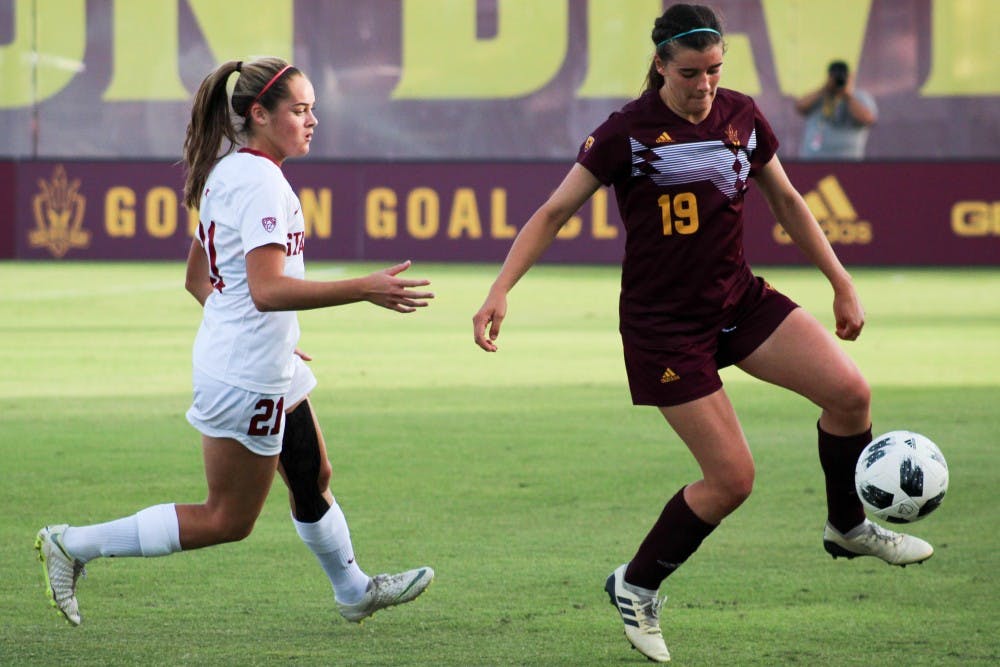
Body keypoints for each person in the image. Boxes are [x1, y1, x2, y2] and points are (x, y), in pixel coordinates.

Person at [472, 5, 930, 663]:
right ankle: (636, 584)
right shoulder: (626, 133)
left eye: (714, 70)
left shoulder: (741, 115)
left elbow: (788, 202)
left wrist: (840, 280)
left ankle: (848, 524)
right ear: (660, 65)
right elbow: (553, 213)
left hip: (738, 300)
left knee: (851, 395)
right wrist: (500, 290)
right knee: (733, 479)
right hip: (665, 329)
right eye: (690, 73)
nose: (705, 85)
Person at [35, 56, 435, 627]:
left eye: (313, 109)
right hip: (245, 373)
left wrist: (265, 335)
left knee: (312, 474)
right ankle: (72, 543)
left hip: (259, 358)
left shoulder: (230, 171)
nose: (312, 120)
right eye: (299, 110)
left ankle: (353, 591)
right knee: (227, 519)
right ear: (259, 114)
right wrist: (364, 288)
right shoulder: (260, 183)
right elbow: (267, 290)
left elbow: (198, 278)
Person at [794, 60, 877, 160]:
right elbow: (800, 107)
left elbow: (868, 119)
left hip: (848, 161)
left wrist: (847, 96)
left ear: (850, 77)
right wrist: (824, 89)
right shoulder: (820, 95)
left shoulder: (860, 97)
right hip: (814, 160)